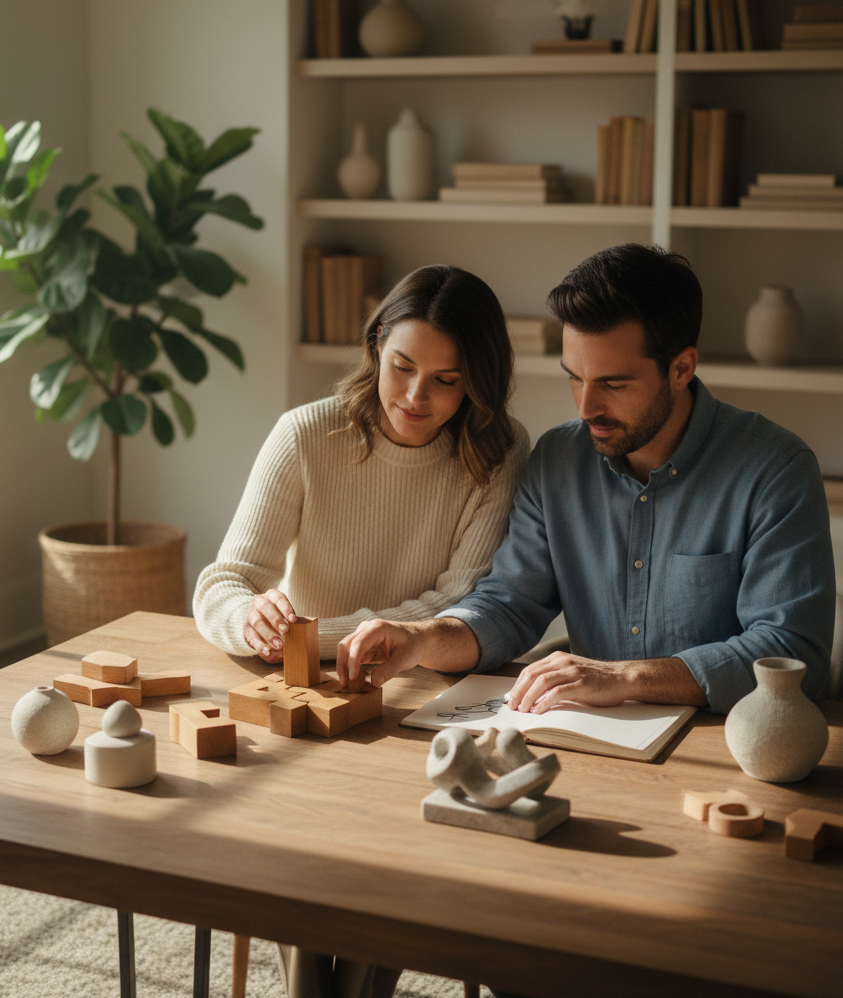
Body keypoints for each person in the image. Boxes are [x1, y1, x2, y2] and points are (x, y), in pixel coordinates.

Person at [193, 263, 531, 998]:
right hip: (305, 702)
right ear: (376, 343)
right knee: (301, 864)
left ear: (479, 382)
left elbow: (459, 600)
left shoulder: (499, 450)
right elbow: (223, 580)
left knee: (385, 873)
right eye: (402, 366)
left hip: (419, 708)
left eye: (446, 380)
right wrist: (252, 620)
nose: (415, 396)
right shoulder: (305, 434)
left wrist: (309, 634)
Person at [338, 243, 835, 720]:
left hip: (724, 741)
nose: (585, 407)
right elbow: (508, 607)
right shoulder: (557, 460)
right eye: (574, 377)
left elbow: (792, 654)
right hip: (590, 739)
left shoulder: (776, 471)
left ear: (682, 368)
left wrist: (625, 677)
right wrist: (421, 637)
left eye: (613, 383)